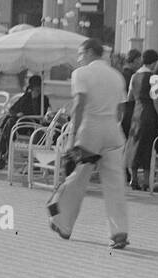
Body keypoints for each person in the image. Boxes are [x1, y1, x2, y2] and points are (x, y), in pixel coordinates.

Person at [47, 38, 129, 249]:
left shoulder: (81, 74)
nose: (79, 58)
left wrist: (73, 139)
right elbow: (121, 110)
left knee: (76, 180)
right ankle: (119, 232)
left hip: (90, 133)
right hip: (112, 132)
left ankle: (62, 222)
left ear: (91, 52)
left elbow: (79, 105)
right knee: (115, 184)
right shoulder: (117, 76)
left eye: (81, 54)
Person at [0, 74, 54, 168]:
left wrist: (35, 101)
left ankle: (3, 154)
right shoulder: (26, 96)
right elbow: (12, 109)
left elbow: (40, 114)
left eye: (38, 87)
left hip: (32, 125)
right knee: (8, 122)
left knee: (9, 124)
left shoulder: (44, 99)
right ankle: (3, 155)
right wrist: (18, 114)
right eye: (35, 87)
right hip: (20, 123)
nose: (36, 89)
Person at [123, 49, 158, 191]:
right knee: (148, 147)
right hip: (150, 114)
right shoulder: (155, 78)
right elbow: (156, 101)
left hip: (136, 114)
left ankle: (134, 178)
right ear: (154, 62)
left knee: (134, 145)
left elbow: (129, 97)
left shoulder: (134, 76)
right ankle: (146, 181)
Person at [119, 50, 142, 136]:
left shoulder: (121, 73)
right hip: (130, 110)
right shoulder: (133, 75)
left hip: (121, 109)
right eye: (139, 59)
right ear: (135, 60)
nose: (141, 62)